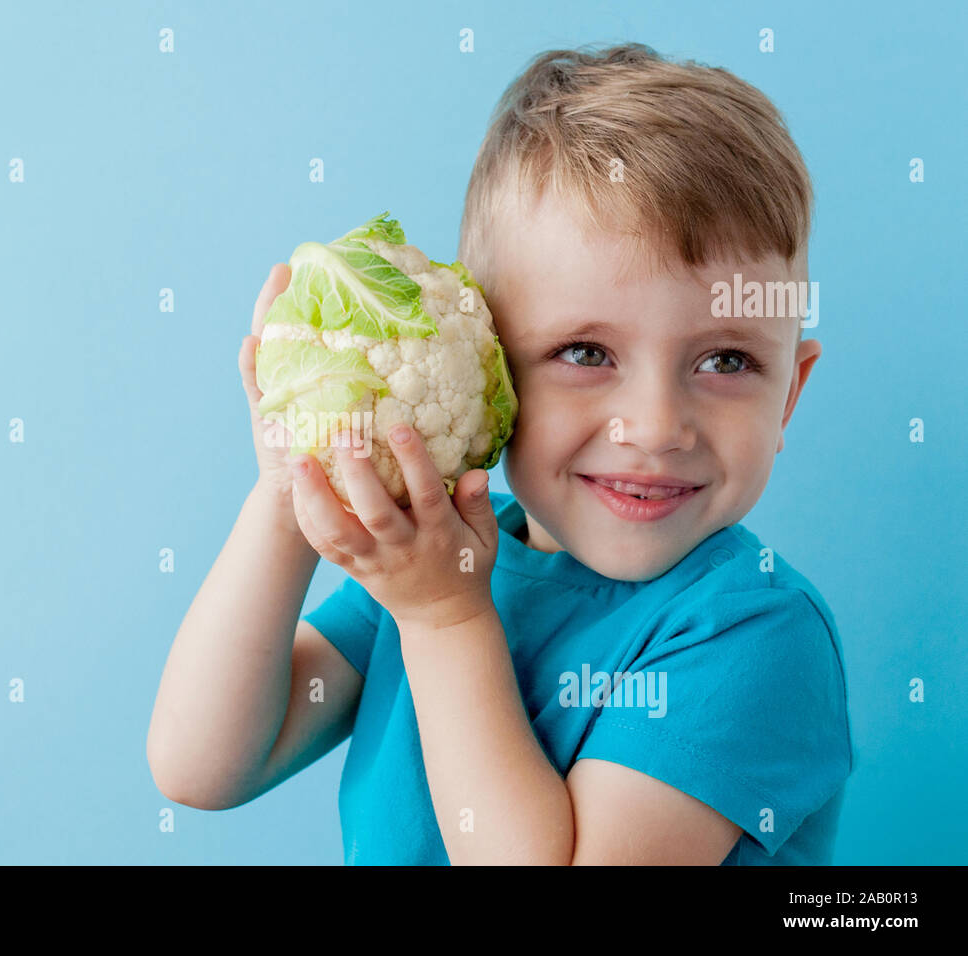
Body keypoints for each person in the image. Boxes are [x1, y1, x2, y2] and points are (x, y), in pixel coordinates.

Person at [147, 43, 852, 866]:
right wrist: (289, 492)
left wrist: (446, 618)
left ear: (790, 393)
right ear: (487, 365)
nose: (656, 427)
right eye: (587, 353)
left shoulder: (754, 633)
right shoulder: (435, 561)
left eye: (726, 361)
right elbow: (203, 764)